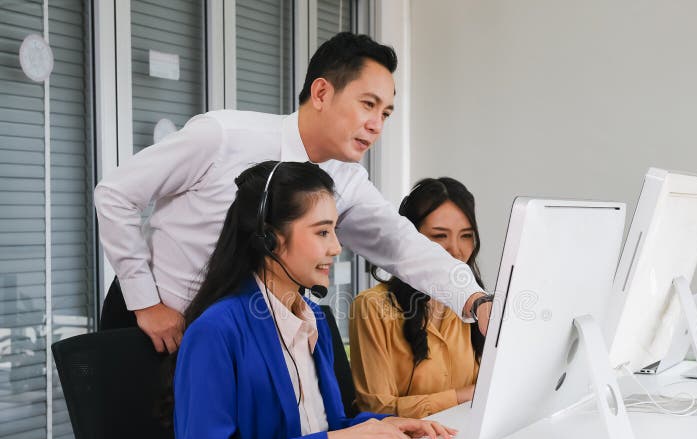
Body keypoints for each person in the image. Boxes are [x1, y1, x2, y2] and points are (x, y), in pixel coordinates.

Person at [94, 32, 492, 353]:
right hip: (152, 324)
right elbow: (115, 194)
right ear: (321, 93)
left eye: (385, 113)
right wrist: (145, 302)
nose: (376, 125)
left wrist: (475, 300)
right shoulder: (224, 136)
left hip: (233, 338)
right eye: (367, 104)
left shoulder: (346, 181)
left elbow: (403, 245)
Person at [159, 161, 455, 439]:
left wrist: (384, 425)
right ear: (269, 238)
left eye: (334, 230)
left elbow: (324, 427)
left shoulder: (310, 317)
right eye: (321, 232)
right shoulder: (216, 332)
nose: (336, 247)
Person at [349, 178, 485, 418]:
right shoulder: (372, 307)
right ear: (410, 242)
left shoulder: (480, 309)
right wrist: (461, 396)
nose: (455, 250)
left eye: (466, 236)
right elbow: (376, 408)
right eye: (439, 236)